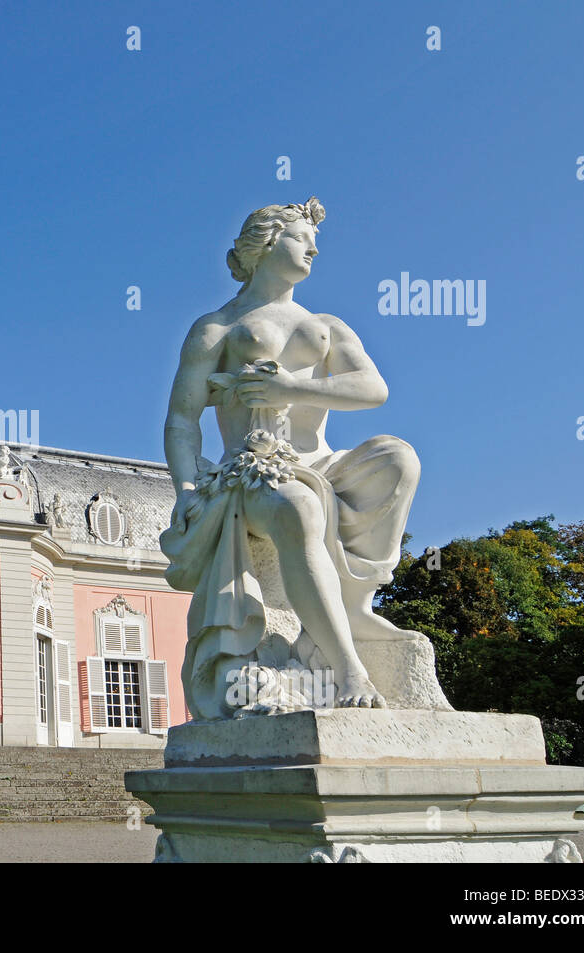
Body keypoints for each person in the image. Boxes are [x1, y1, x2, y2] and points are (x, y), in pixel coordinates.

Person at [161, 197, 422, 720]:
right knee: (298, 506)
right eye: (303, 239)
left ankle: (353, 604)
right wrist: (187, 489)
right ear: (265, 242)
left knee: (399, 459)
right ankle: (348, 668)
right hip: (252, 471)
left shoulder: (325, 325)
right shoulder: (217, 327)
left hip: (322, 462)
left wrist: (290, 387)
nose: (314, 249)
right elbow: (182, 421)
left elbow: (373, 389)